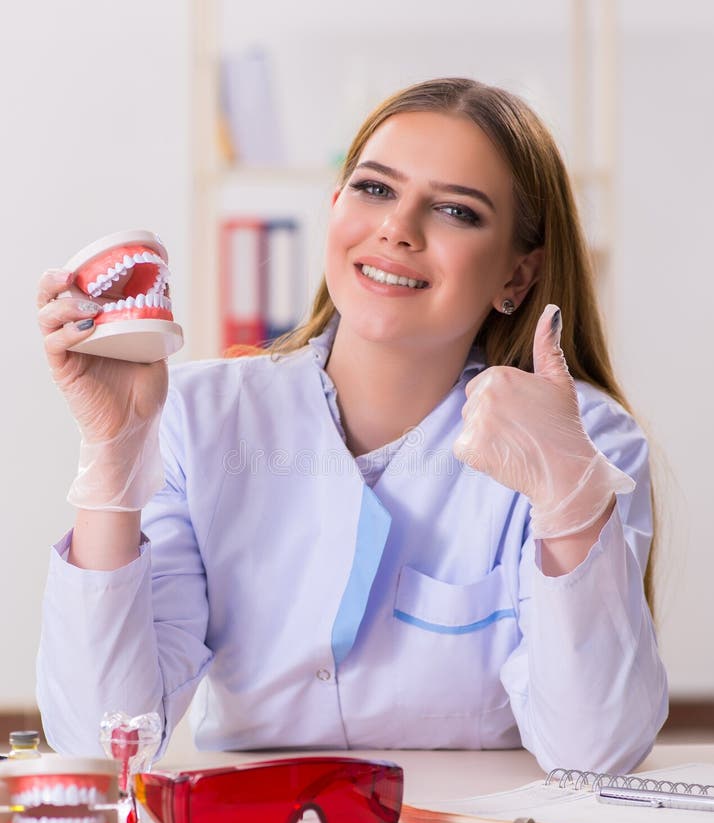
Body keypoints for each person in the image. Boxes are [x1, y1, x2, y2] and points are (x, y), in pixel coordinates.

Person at [36, 77, 668, 774]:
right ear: (334, 209)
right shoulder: (196, 416)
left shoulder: (583, 442)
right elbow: (100, 744)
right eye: (374, 189)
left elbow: (597, 753)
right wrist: (114, 458)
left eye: (457, 210)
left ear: (517, 275)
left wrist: (568, 501)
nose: (398, 227)